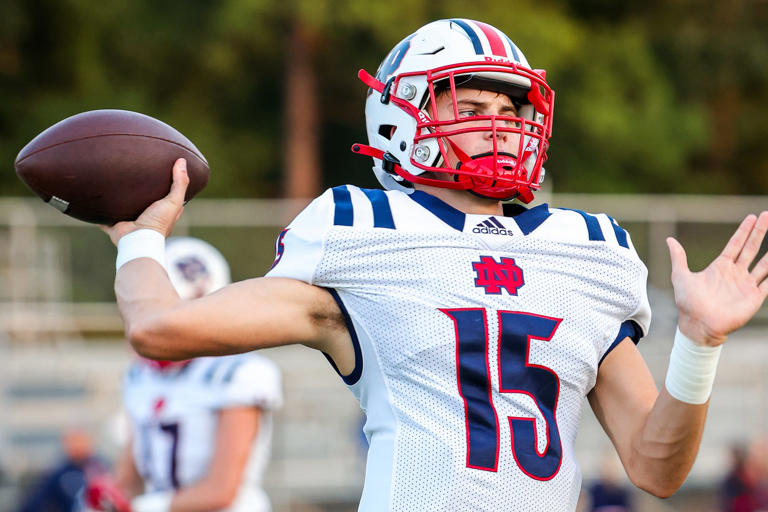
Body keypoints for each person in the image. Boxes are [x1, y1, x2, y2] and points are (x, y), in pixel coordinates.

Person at [100, 18, 768, 511]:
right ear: (399, 119)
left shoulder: (589, 250)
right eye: (473, 108)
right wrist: (140, 239)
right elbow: (159, 329)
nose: (501, 125)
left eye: (511, 109)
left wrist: (700, 344)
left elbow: (657, 467)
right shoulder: (361, 229)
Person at [86, 237, 282, 512]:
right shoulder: (140, 375)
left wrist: (142, 508)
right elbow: (129, 477)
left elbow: (221, 491)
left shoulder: (238, 372)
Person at [16, 428, 106, 512]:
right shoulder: (59, 473)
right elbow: (36, 501)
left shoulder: (100, 468)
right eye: (74, 441)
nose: (78, 446)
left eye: (81, 441)